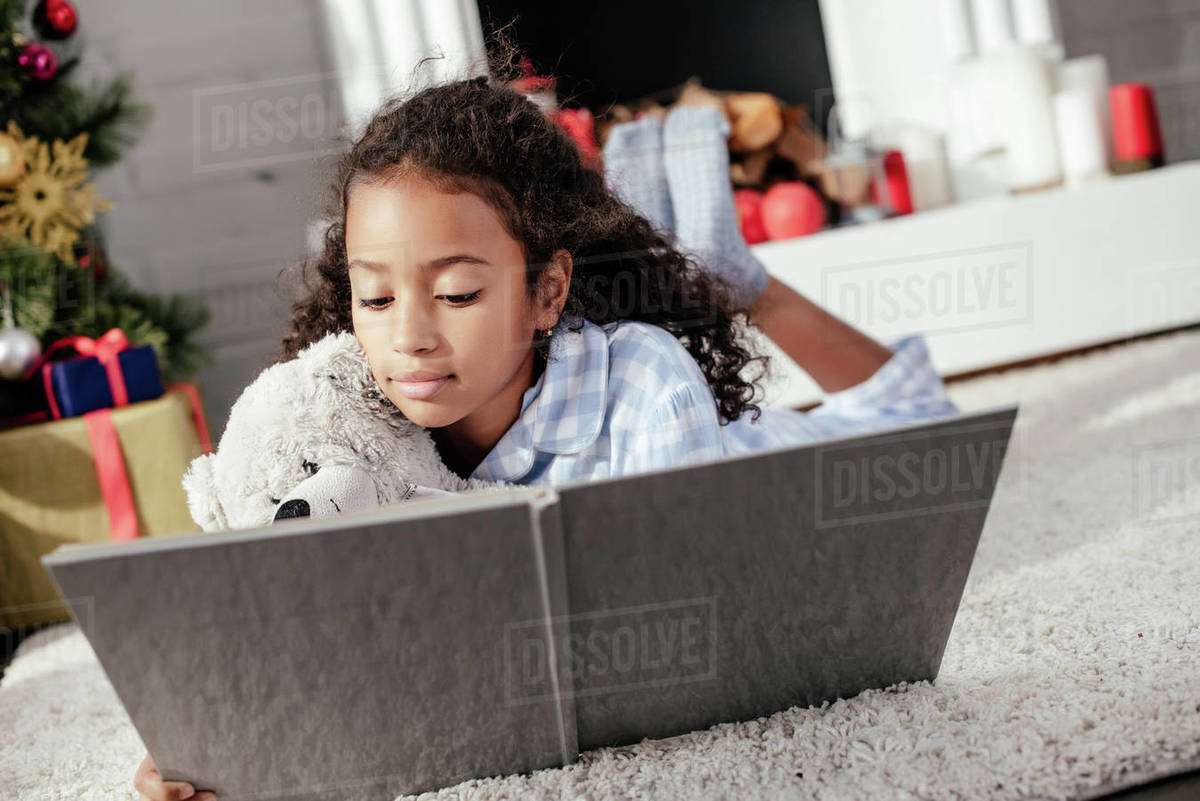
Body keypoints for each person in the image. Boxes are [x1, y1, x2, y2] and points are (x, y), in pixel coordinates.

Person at [135, 48, 959, 801]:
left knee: (918, 419)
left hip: (738, 460)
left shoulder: (647, 382)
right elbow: (281, 600)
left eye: (457, 293)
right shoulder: (345, 415)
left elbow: (684, 637)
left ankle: (735, 276)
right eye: (375, 296)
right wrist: (209, 742)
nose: (409, 336)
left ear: (547, 292)